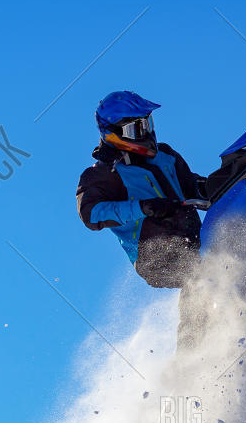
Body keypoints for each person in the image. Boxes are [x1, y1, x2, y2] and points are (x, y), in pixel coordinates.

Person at [76, 91, 207, 289]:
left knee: (229, 251)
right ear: (112, 133)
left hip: (194, 236)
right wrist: (143, 207)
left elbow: (192, 186)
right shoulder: (103, 174)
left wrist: (223, 186)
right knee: (202, 275)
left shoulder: (166, 156)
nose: (145, 133)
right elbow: (91, 213)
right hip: (153, 254)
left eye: (148, 124)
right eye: (136, 129)